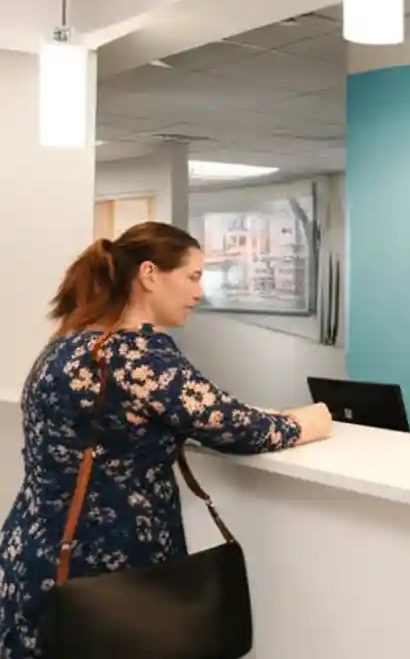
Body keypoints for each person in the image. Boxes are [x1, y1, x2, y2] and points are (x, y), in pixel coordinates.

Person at [0, 222, 333, 658]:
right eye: (193, 276)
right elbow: (239, 429)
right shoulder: (138, 353)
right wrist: (311, 421)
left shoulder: (68, 344)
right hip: (107, 568)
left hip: (34, 549)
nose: (199, 291)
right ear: (150, 274)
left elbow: (184, 411)